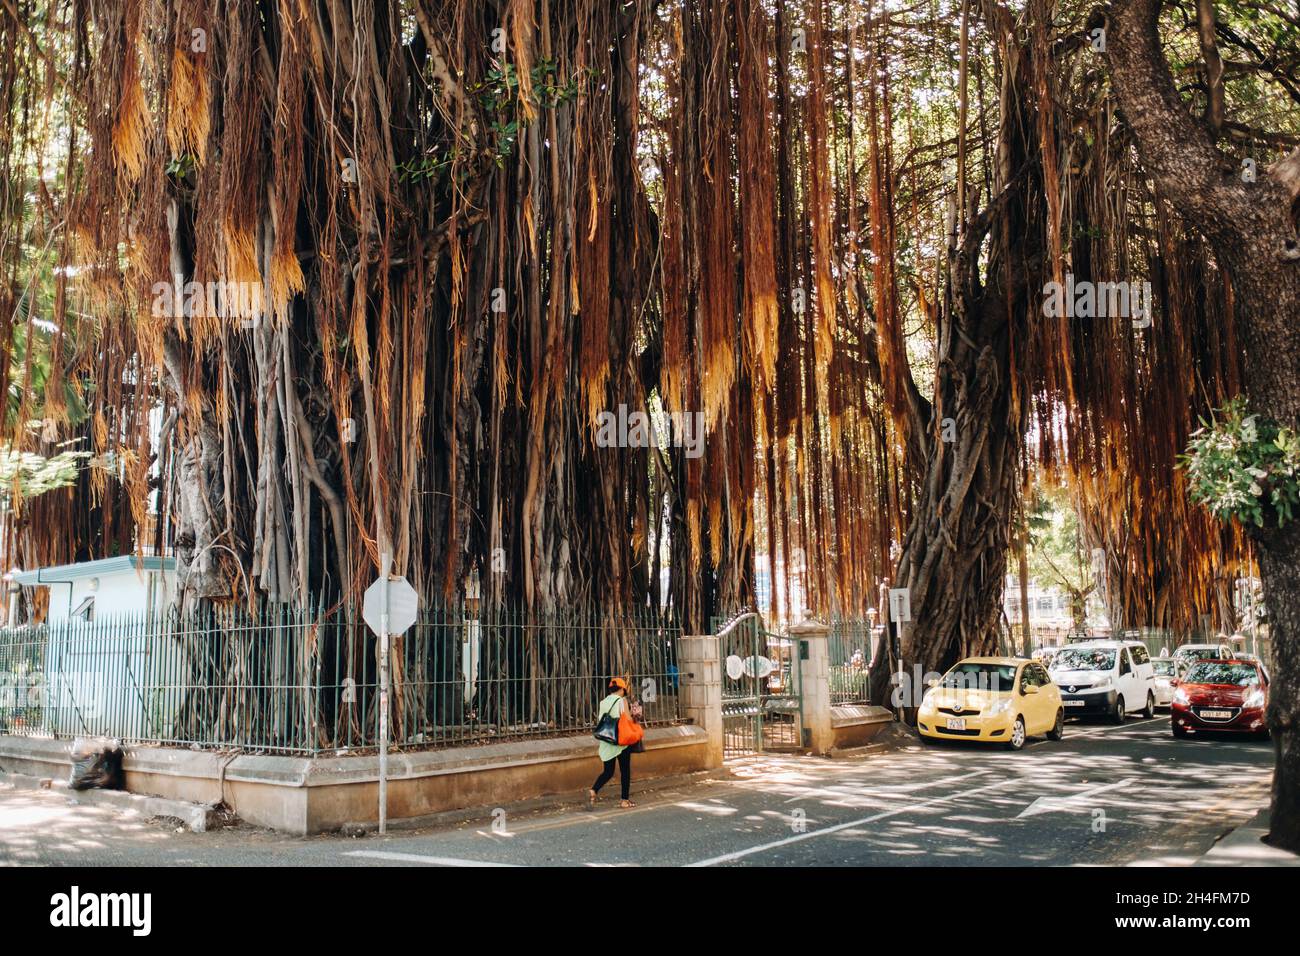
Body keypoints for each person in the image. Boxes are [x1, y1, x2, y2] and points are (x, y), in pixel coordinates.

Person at [589, 677, 635, 809]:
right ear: (621, 689)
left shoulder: (603, 702)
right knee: (625, 771)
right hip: (621, 740)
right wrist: (634, 714)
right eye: (623, 690)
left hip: (607, 740)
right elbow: (628, 719)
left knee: (608, 771)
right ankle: (624, 800)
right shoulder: (622, 701)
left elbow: (602, 719)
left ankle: (594, 789)